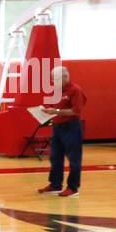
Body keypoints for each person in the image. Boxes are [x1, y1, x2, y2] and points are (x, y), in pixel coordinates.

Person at [38, 65, 86, 197]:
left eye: (56, 79)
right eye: (53, 79)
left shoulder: (75, 90)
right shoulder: (58, 92)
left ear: (65, 77)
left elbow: (76, 111)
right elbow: (57, 109)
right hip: (58, 128)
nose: (54, 82)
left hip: (72, 127)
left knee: (74, 159)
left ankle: (73, 187)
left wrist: (57, 111)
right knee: (55, 157)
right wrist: (48, 112)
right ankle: (55, 184)